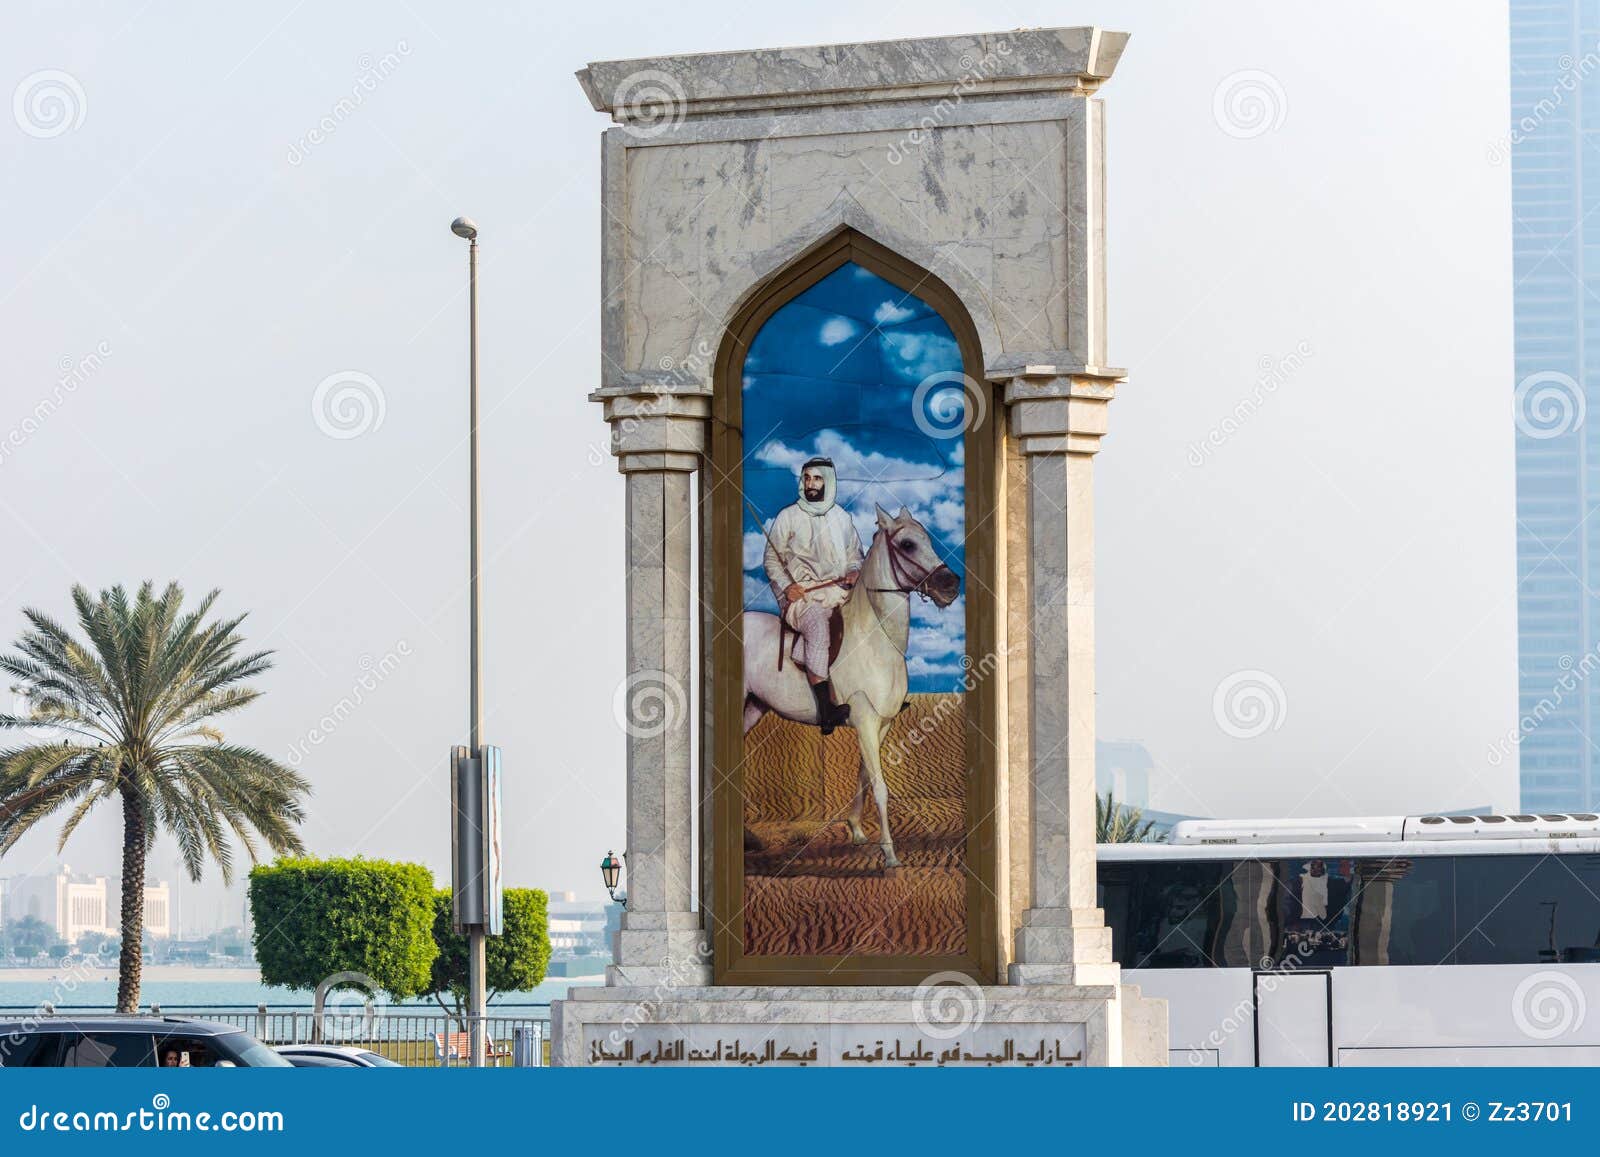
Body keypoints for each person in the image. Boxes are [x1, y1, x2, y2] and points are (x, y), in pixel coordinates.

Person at [763, 457, 863, 734]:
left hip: (840, 593)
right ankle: (827, 710)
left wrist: (854, 571)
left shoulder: (842, 518)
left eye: (817, 478)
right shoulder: (788, 516)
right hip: (802, 598)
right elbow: (771, 559)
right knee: (818, 623)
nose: (811, 484)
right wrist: (787, 587)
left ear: (828, 481)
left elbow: (856, 555)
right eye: (807, 478)